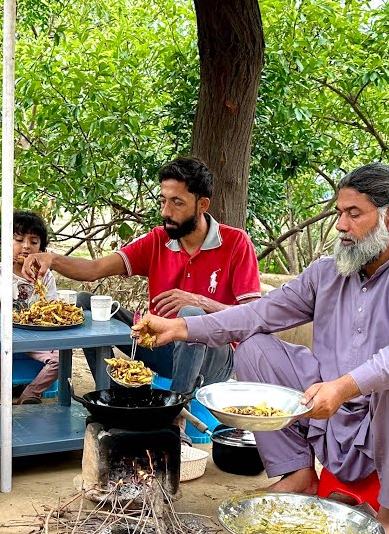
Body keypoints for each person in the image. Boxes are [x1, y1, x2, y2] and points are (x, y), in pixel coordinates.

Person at [133, 163, 389, 534]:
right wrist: (179, 329)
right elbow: (258, 314)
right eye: (338, 214)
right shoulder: (327, 272)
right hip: (338, 396)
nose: (341, 226)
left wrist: (345, 387)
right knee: (255, 346)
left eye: (354, 214)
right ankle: (296, 473)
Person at [22, 157, 262, 402]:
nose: (165, 212)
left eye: (177, 202)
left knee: (191, 314)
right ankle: (117, 399)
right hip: (161, 347)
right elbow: (93, 269)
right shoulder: (158, 240)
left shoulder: (236, 243)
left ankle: (173, 412)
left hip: (213, 359)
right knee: (85, 302)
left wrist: (201, 302)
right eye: (163, 201)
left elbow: (255, 316)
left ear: (202, 205)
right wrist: (52, 259)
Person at [0, 210, 61, 405]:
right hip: (0, 334)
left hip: (34, 335)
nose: (26, 247)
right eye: (18, 239)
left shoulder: (45, 275)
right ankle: (3, 398)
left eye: (34, 242)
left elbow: (50, 305)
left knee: (61, 359)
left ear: (41, 248)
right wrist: (8, 272)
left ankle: (30, 395)